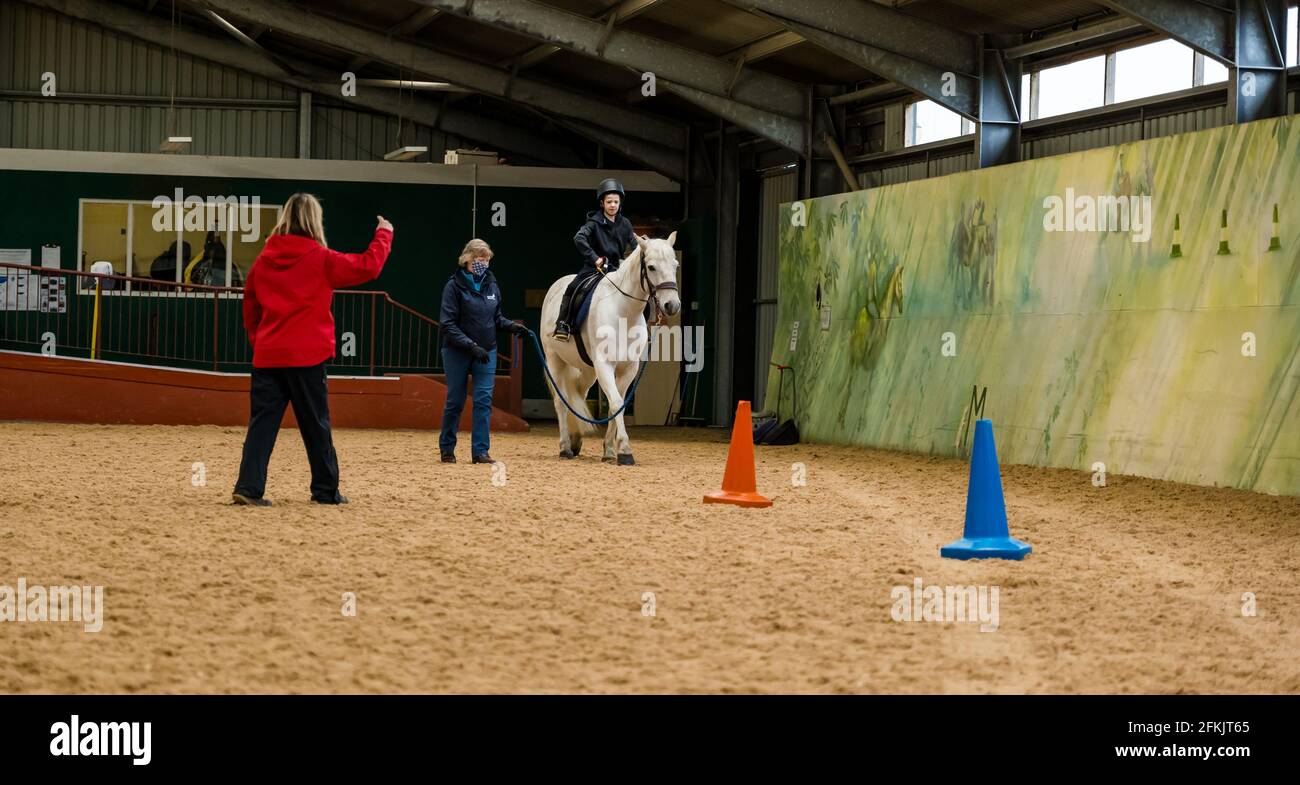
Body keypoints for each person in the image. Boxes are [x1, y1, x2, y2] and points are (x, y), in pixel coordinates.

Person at [231, 193, 393, 506]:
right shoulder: (321, 258)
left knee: (261, 425)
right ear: (314, 220)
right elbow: (367, 266)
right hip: (307, 356)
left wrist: (259, 340)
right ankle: (325, 490)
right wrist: (383, 233)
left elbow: (249, 307)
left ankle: (248, 488)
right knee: (316, 424)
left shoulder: (263, 261)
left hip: (268, 355)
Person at [439, 238, 527, 464]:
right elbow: (447, 324)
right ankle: (447, 448)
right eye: (480, 259)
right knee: (455, 401)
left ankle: (480, 452)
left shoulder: (492, 285)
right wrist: (470, 346)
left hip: (486, 352)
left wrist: (511, 326)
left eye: (487, 260)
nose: (484, 264)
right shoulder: (453, 286)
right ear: (467, 259)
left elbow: (495, 318)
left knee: (483, 400)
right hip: (457, 352)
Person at [552, 178, 636, 341]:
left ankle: (641, 326)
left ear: (620, 203)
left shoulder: (625, 223)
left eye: (616, 202)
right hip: (595, 267)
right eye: (609, 202)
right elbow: (579, 238)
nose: (612, 205)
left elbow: (634, 245)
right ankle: (563, 324)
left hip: (617, 268)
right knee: (572, 287)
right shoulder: (594, 221)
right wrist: (595, 258)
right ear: (602, 203)